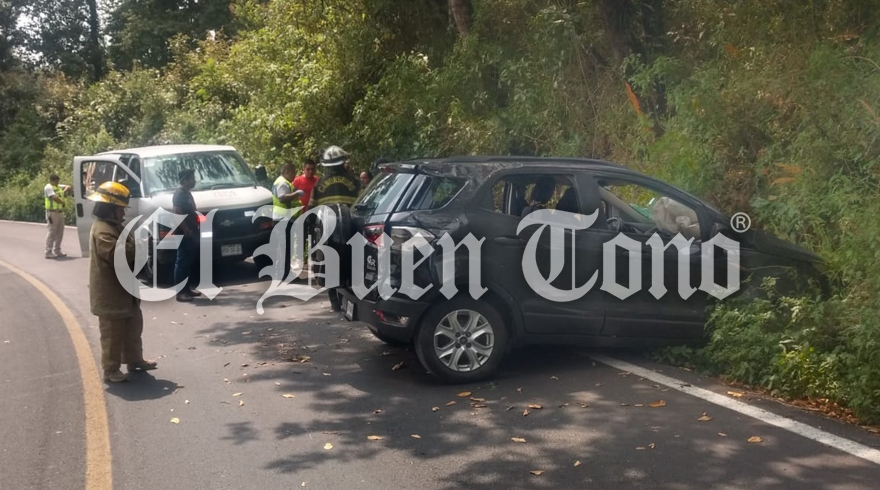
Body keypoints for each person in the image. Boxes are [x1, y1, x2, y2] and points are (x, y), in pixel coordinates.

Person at [87, 181, 157, 383]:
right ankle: (110, 370)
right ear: (110, 208)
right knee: (112, 334)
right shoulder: (103, 230)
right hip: (110, 294)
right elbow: (116, 255)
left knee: (133, 326)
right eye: (120, 209)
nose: (123, 213)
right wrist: (140, 247)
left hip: (125, 292)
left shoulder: (114, 226)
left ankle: (135, 360)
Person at [309, 145, 361, 311]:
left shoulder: (319, 184)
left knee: (328, 264)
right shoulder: (354, 181)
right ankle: (352, 299)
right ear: (342, 162)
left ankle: (334, 302)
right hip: (351, 229)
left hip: (327, 232)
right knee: (353, 263)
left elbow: (311, 210)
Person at [172, 169, 202, 302]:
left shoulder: (186, 193)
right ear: (185, 180)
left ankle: (187, 289)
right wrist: (186, 229)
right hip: (184, 232)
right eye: (191, 178)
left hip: (191, 230)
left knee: (189, 261)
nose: (194, 180)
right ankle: (180, 293)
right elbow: (177, 213)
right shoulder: (179, 194)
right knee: (182, 262)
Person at [271, 163, 304, 278]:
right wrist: (297, 193)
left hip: (282, 219)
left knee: (284, 247)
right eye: (293, 172)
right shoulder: (282, 182)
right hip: (282, 219)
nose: (294, 175)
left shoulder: (283, 182)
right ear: (287, 172)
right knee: (285, 247)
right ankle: (285, 274)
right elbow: (282, 197)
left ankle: (282, 272)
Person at [44, 174, 71, 259]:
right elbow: (54, 197)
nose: (58, 182)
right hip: (52, 213)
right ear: (52, 180)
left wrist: (64, 190)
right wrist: (63, 202)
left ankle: (57, 250)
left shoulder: (58, 186)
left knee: (60, 232)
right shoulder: (48, 187)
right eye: (56, 181)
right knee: (52, 232)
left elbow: (68, 186)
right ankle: (48, 252)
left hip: (59, 212)